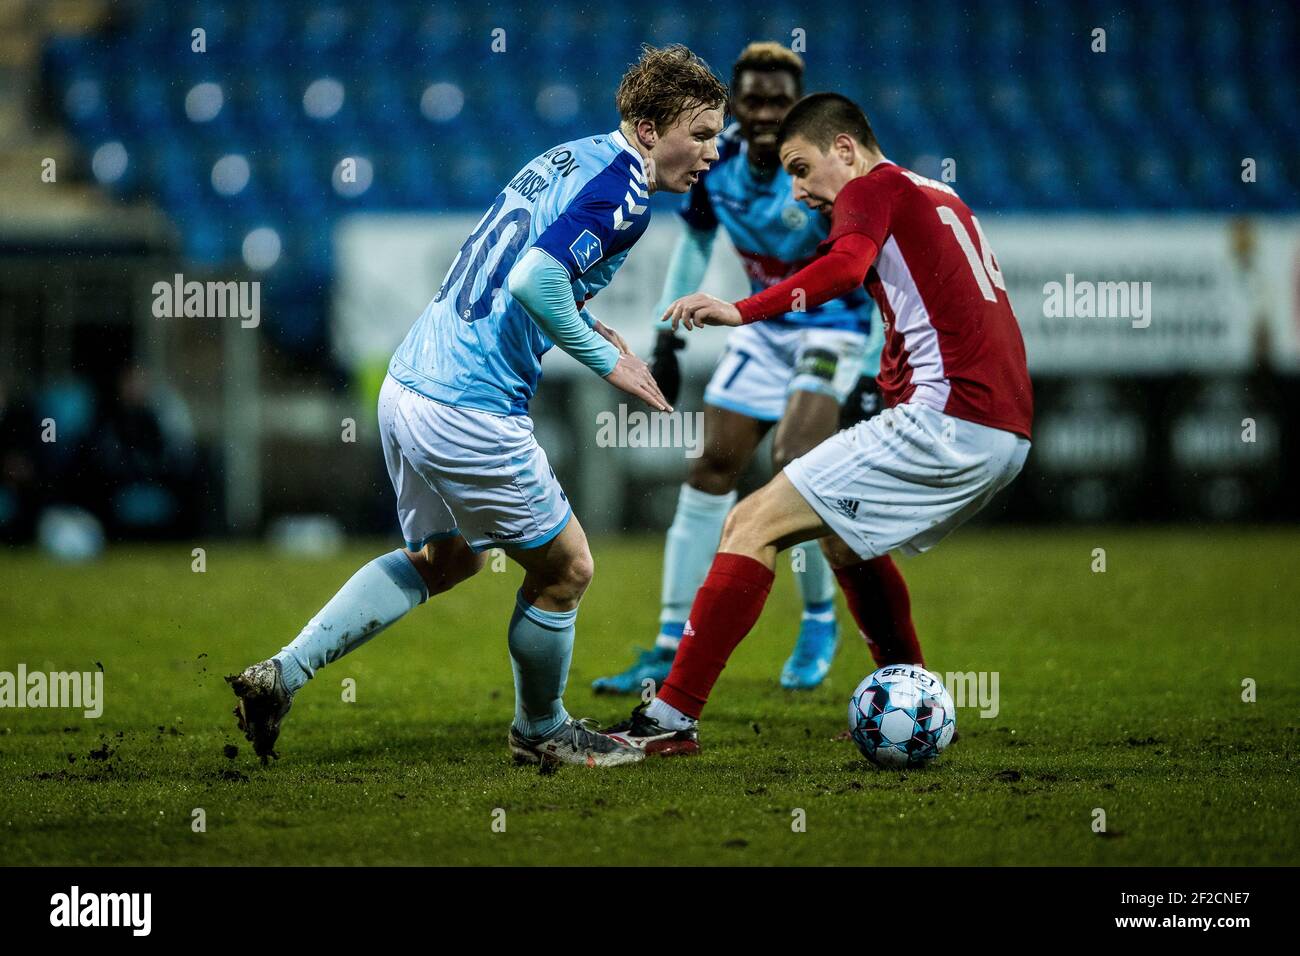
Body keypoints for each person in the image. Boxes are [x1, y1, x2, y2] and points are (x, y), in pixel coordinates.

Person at [228, 44, 727, 768]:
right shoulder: (628, 193)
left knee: (444, 558)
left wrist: (586, 324)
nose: (712, 152)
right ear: (649, 130)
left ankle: (282, 674)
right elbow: (530, 278)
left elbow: (519, 272)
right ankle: (542, 732)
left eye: (717, 136)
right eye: (701, 134)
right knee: (567, 569)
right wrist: (605, 358)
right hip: (470, 407)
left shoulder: (570, 156)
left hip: (410, 385)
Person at [606, 92, 1033, 755]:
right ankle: (912, 694)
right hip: (1002, 432)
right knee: (843, 540)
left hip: (948, 418)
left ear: (844, 148)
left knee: (751, 521)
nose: (799, 193)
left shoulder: (871, 186)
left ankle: (668, 720)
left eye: (802, 169)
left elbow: (843, 268)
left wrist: (742, 310)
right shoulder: (940, 196)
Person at [593, 43, 917, 695]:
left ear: (796, 102)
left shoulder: (823, 166)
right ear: (737, 103)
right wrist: (668, 337)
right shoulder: (718, 160)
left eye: (780, 98)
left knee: (797, 460)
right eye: (755, 98)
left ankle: (819, 620)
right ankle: (665, 644)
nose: (767, 111)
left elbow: (880, 262)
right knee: (711, 464)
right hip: (763, 330)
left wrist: (870, 367)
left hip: (833, 327)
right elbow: (697, 242)